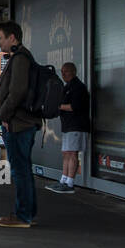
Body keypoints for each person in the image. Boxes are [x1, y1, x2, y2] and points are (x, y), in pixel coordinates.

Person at [0, 21, 41, 227]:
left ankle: (23, 215)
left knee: (20, 170)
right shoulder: (20, 57)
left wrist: (5, 115)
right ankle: (28, 212)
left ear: (12, 38)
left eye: (0, 38)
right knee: (23, 169)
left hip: (17, 124)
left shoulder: (20, 59)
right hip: (19, 123)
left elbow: (17, 91)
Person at [46, 62, 90, 194]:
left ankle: (70, 182)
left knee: (72, 153)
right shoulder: (67, 87)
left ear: (73, 72)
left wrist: (58, 106)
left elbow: (74, 106)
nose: (63, 74)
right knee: (66, 153)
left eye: (66, 71)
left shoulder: (78, 87)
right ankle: (63, 180)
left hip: (77, 125)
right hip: (67, 125)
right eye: (62, 71)